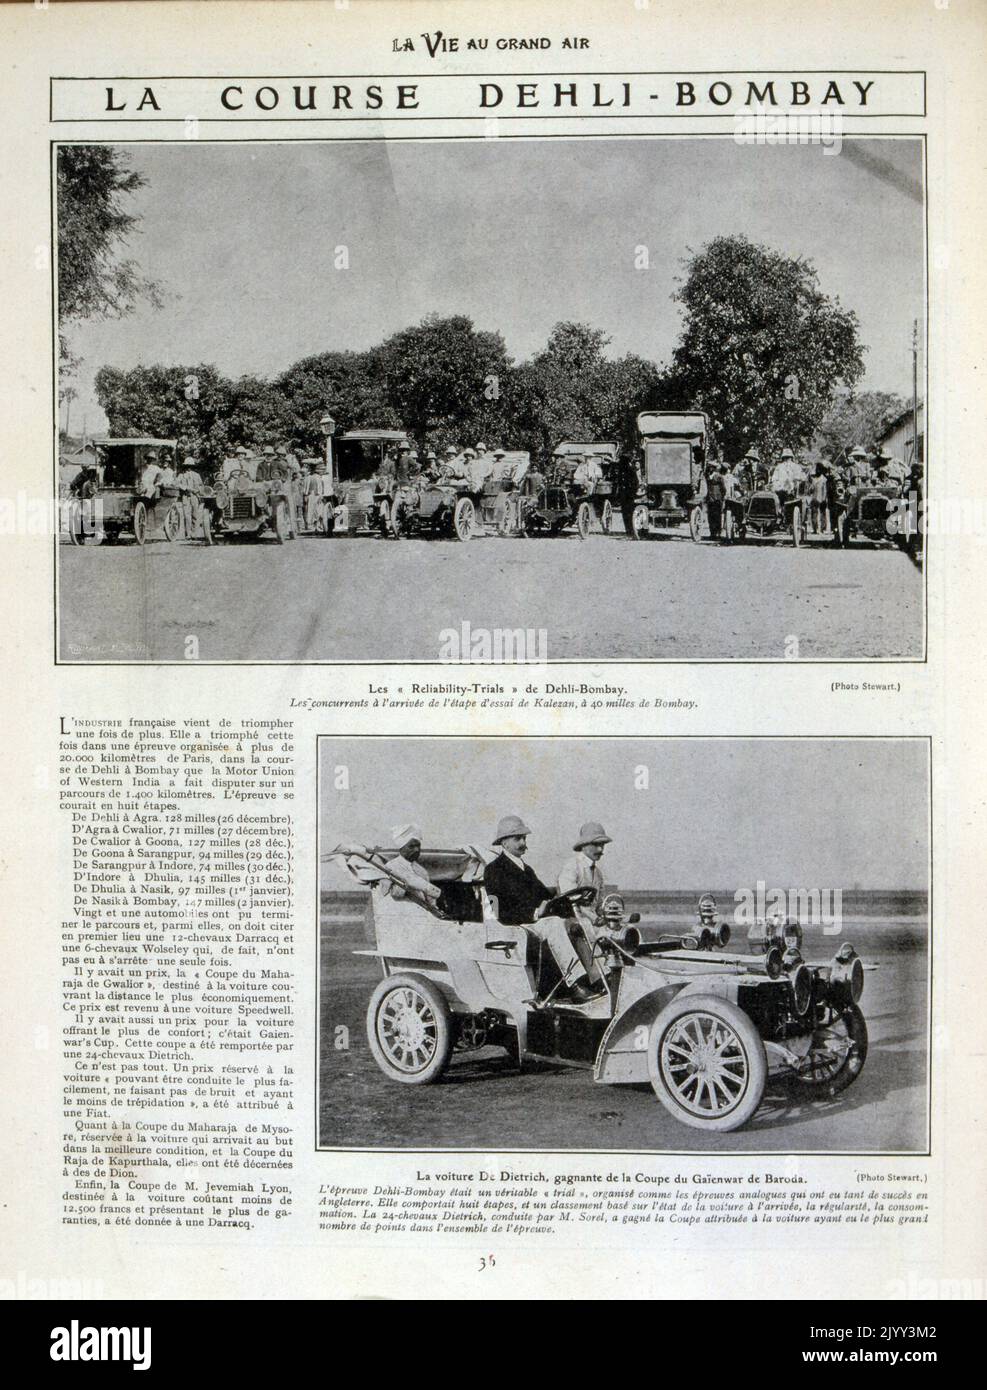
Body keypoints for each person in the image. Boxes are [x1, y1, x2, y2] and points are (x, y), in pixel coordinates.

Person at [483, 816, 602, 1003]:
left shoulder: (526, 869)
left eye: (524, 838)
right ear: (504, 842)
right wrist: (536, 913)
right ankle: (575, 984)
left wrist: (559, 903)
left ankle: (597, 978)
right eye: (518, 839)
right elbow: (499, 912)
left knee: (576, 923)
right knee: (554, 925)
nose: (523, 843)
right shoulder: (493, 871)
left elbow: (543, 895)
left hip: (534, 922)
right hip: (515, 926)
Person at [556, 823, 612, 989]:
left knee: (617, 932)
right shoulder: (572, 866)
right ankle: (597, 979)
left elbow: (600, 902)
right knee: (586, 928)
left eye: (602, 845)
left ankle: (615, 973)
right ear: (584, 845)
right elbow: (569, 900)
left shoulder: (598, 873)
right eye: (596, 845)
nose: (600, 849)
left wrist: (604, 915)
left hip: (591, 920)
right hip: (572, 919)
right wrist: (595, 918)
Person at [377, 825, 441, 904]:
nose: (416, 850)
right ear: (401, 848)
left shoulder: (422, 871)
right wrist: (406, 885)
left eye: (418, 846)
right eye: (411, 846)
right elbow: (390, 895)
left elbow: (430, 900)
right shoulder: (390, 867)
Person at [177, 456, 203, 537]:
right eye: (187, 466)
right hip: (186, 496)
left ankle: (194, 533)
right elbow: (177, 483)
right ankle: (188, 534)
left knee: (195, 515)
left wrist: (197, 490)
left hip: (195, 496)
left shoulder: (197, 475)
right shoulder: (181, 475)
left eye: (190, 466)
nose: (189, 468)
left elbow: (201, 485)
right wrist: (185, 488)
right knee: (186, 515)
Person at [704, 463, 726, 540]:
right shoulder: (707, 476)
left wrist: (721, 497)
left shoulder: (719, 477)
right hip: (709, 498)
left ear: (714, 468)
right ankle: (712, 533)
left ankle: (718, 533)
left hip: (717, 498)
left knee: (717, 516)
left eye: (711, 468)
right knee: (710, 517)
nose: (710, 469)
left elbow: (723, 488)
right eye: (709, 467)